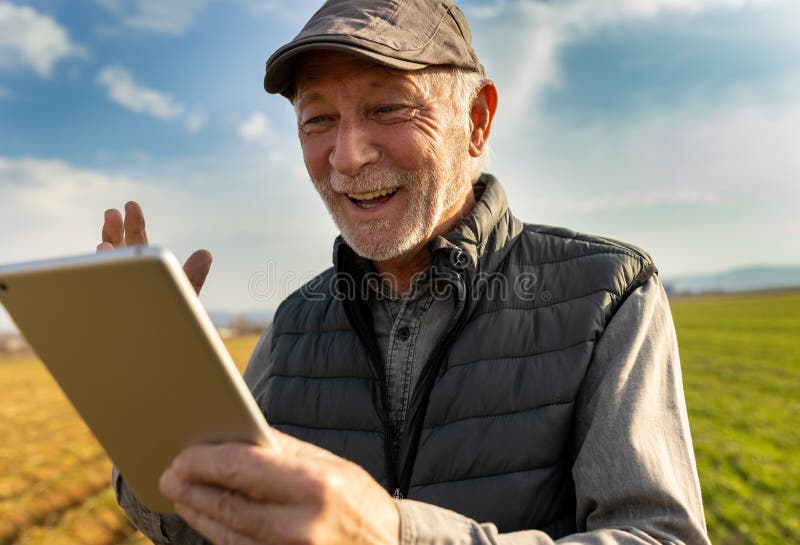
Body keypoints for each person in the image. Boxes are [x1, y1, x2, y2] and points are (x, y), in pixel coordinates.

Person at [102, 1, 712, 544]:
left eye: (388, 108)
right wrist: (148, 407)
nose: (347, 155)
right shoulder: (291, 326)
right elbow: (203, 527)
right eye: (317, 120)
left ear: (476, 120)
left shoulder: (607, 293)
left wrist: (396, 534)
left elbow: (660, 537)